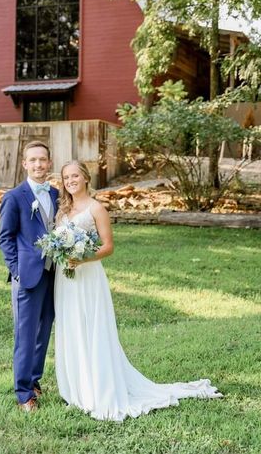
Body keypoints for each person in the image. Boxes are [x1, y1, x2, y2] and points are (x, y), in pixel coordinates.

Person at [54, 160, 222, 422]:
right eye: (66, 177)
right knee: (72, 329)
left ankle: (97, 391)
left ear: (86, 178)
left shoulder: (96, 208)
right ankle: (77, 390)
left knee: (91, 328)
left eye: (75, 175)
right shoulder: (63, 209)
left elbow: (108, 247)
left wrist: (82, 258)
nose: (70, 181)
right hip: (66, 280)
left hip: (88, 277)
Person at [0, 140, 58, 412]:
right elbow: (6, 238)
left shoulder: (57, 194)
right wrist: (17, 271)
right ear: (24, 164)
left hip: (54, 275)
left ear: (49, 162)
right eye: (33, 160)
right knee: (25, 335)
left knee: (43, 331)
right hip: (28, 276)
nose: (38, 164)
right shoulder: (14, 197)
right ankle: (24, 394)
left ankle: (34, 380)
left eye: (42, 159)